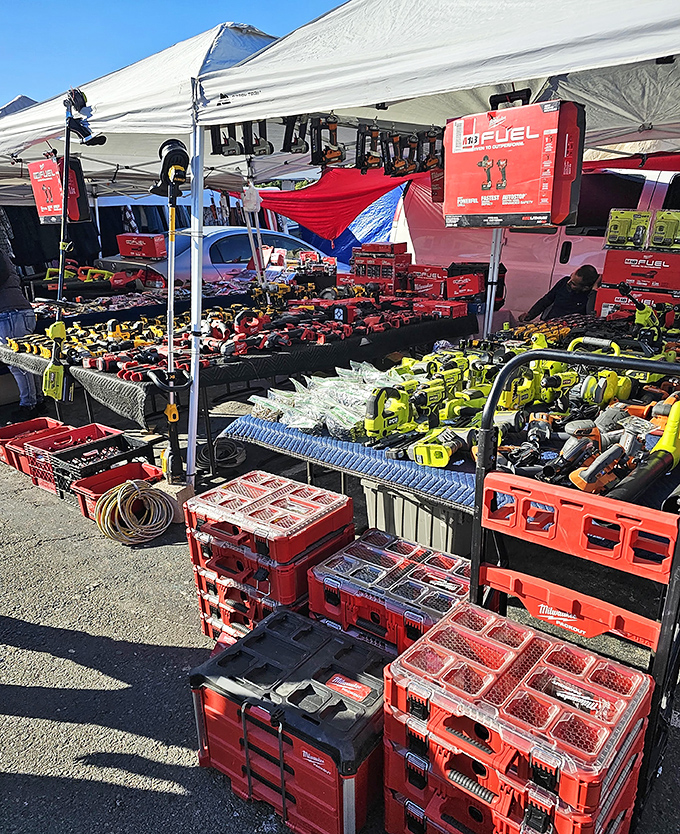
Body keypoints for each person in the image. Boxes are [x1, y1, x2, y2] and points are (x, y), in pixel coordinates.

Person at [0, 249, 44, 420]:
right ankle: (37, 401)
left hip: (10, 314)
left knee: (18, 363)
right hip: (17, 312)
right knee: (28, 361)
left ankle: (29, 405)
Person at [518, 264, 600, 322]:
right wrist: (530, 314)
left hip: (569, 327)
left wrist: (594, 291)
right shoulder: (564, 282)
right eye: (570, 278)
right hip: (549, 322)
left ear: (585, 288)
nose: (568, 282)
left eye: (573, 284)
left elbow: (591, 315)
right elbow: (547, 299)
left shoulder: (590, 295)